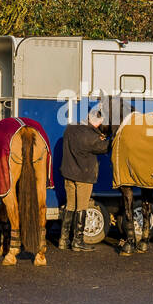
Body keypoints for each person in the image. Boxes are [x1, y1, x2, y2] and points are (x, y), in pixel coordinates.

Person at [57, 107, 111, 252]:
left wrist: (97, 136)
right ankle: (77, 241)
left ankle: (63, 240)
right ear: (99, 122)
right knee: (81, 208)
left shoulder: (70, 128)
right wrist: (107, 139)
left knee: (70, 206)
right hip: (83, 177)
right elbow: (105, 148)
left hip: (68, 174)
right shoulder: (92, 137)